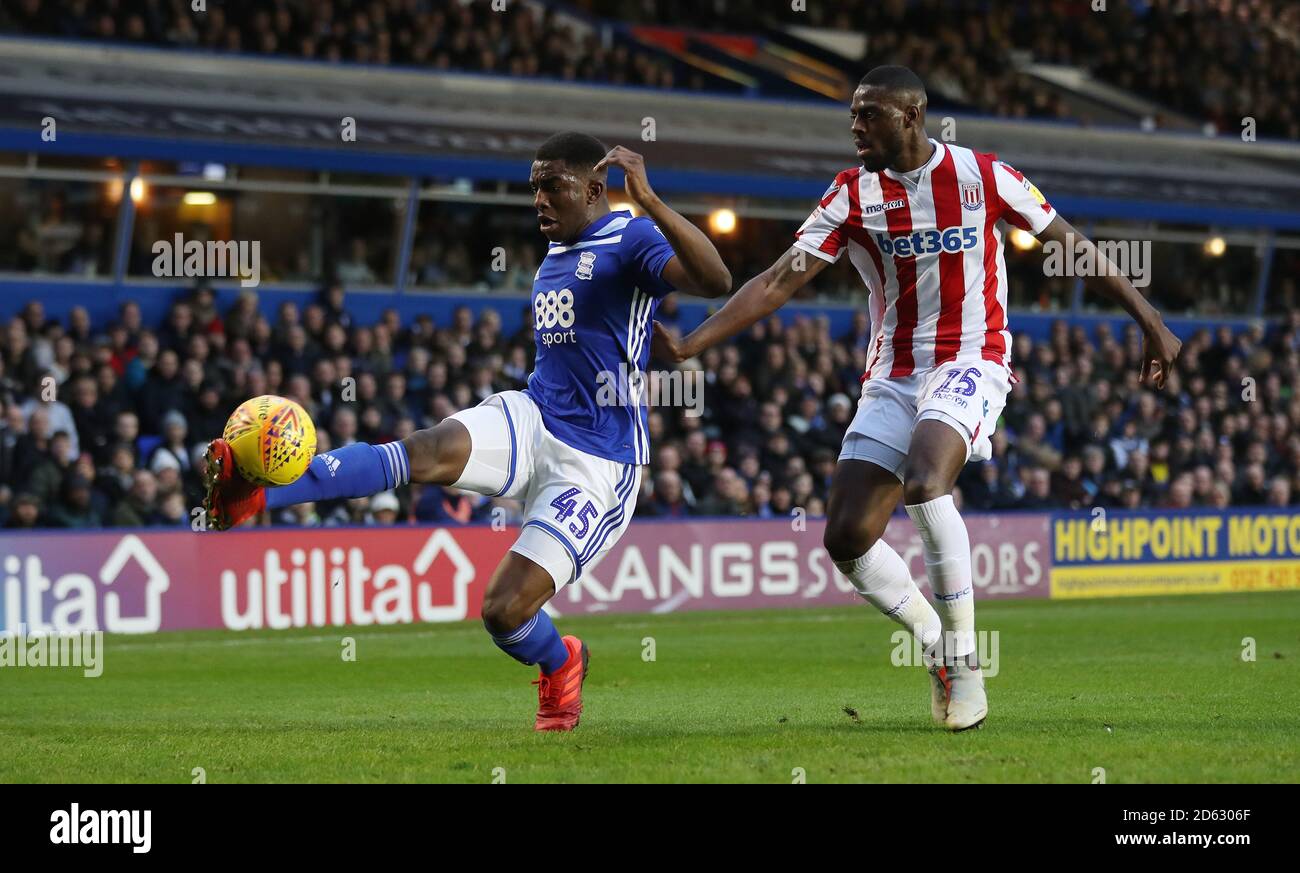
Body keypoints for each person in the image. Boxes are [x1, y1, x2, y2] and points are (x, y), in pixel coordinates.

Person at [653, 65, 1182, 731]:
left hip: (973, 357)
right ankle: (936, 642)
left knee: (926, 481)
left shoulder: (984, 176)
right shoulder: (851, 194)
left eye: (867, 115)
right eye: (852, 115)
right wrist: (694, 344)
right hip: (893, 374)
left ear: (911, 116)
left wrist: (1150, 320)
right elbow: (778, 282)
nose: (855, 127)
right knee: (845, 536)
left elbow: (1069, 245)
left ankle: (964, 660)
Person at [202, 131, 730, 732]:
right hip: (534, 415)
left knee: (503, 611)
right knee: (423, 450)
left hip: (598, 463)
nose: (538, 200)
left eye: (551, 186)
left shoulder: (631, 236)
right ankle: (255, 494)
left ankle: (562, 663)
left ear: (592, 188)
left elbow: (716, 281)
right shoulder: (556, 251)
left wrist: (652, 201)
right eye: (534, 187)